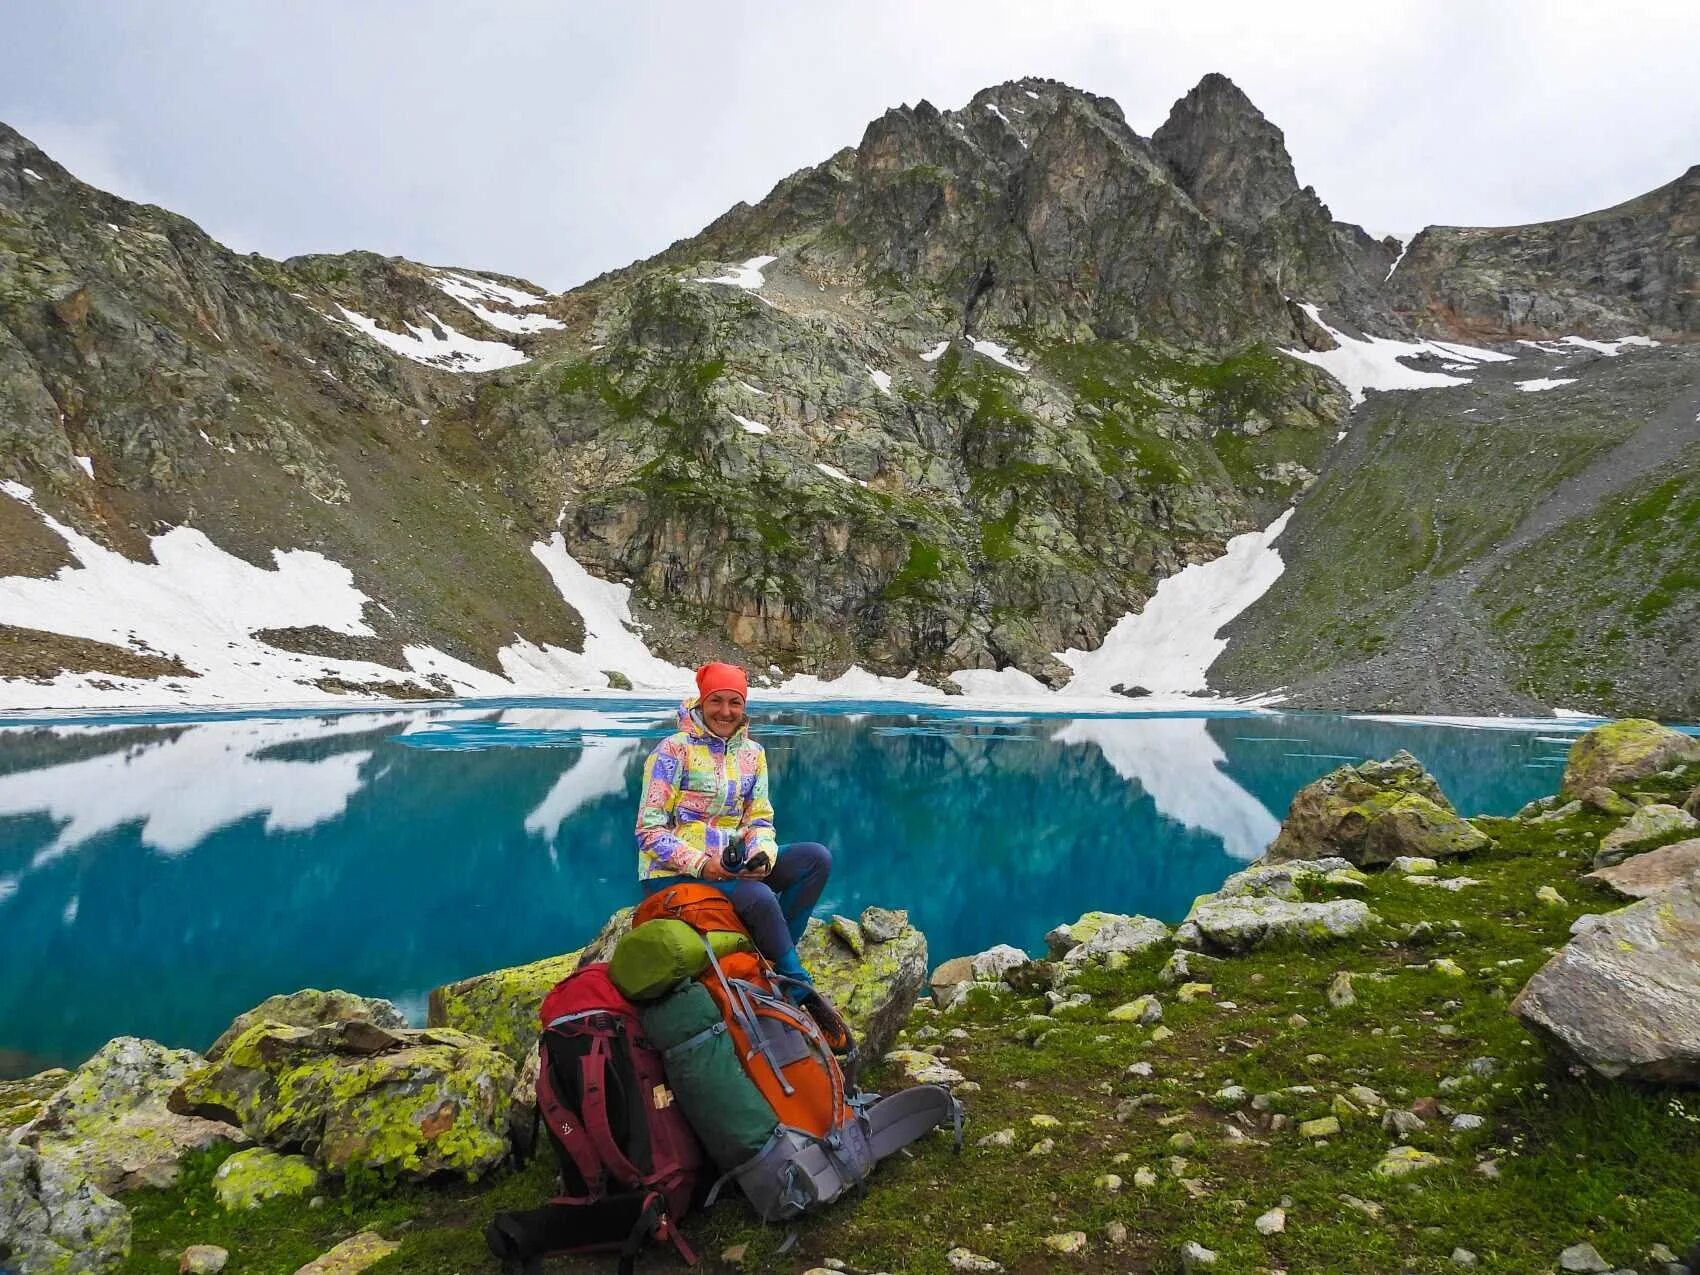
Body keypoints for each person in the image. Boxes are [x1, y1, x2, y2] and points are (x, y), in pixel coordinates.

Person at [635, 661, 832, 1000]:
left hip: (730, 868)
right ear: (701, 702)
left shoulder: (753, 754)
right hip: (672, 874)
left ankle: (767, 958)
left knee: (816, 859)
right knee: (759, 897)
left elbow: (759, 820)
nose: (725, 712)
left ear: (744, 706)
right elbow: (649, 831)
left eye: (735, 702)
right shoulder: (672, 750)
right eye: (716, 701)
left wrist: (763, 856)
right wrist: (702, 865)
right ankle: (796, 983)